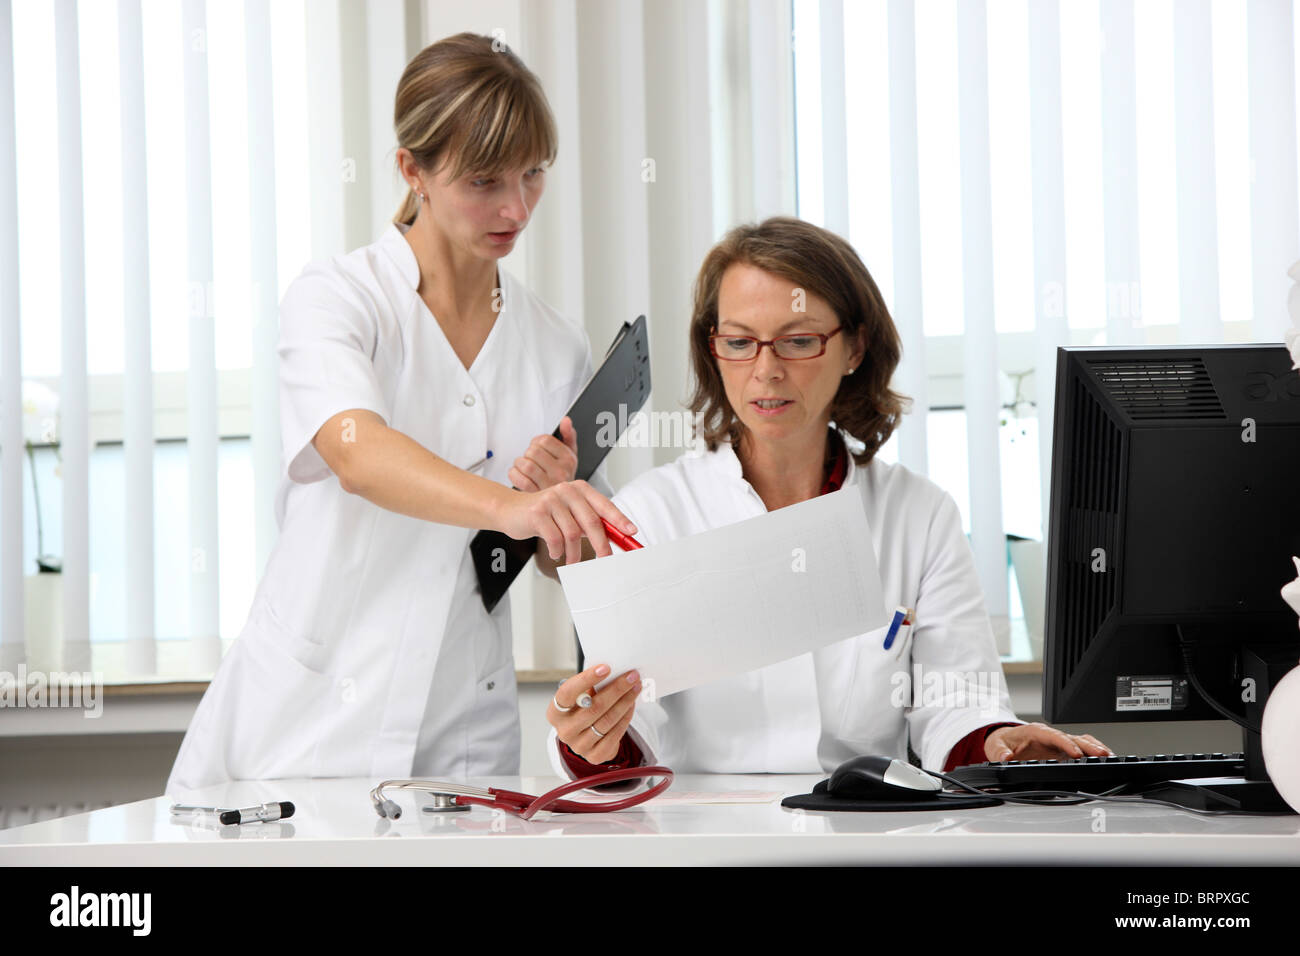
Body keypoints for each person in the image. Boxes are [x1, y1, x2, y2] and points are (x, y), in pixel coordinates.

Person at [167, 33, 634, 793]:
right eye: (484, 180)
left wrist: (563, 516)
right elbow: (359, 454)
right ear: (411, 170)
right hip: (311, 716)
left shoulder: (554, 344)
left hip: (462, 725)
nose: (515, 207)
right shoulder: (338, 298)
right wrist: (515, 505)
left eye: (533, 174)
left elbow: (569, 557)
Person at [542, 217, 1111, 782]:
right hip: (708, 836)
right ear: (713, 351)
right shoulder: (651, 512)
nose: (766, 371)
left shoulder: (920, 515)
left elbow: (956, 701)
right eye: (739, 342)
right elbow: (625, 719)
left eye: (798, 341)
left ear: (854, 347)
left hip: (865, 826)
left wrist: (998, 742)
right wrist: (593, 736)